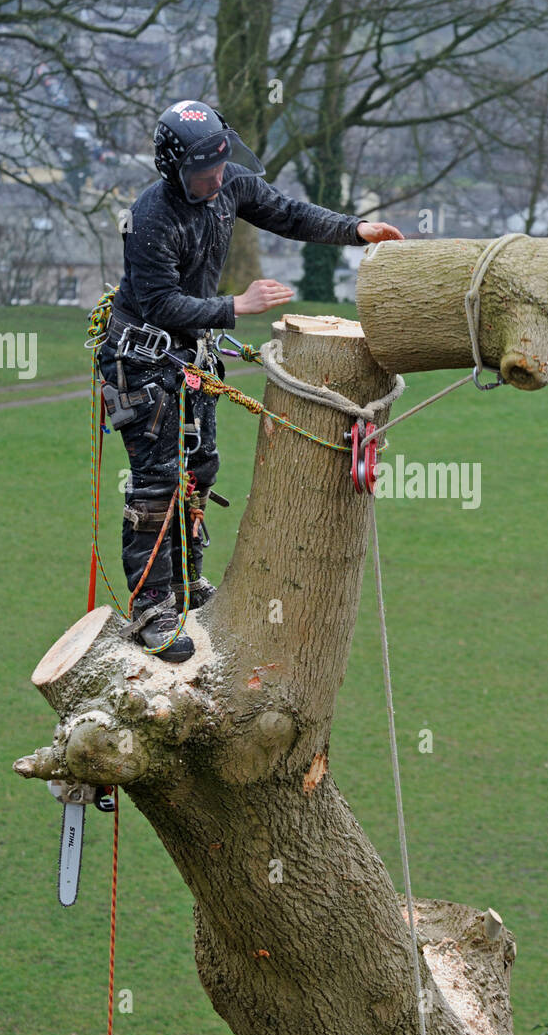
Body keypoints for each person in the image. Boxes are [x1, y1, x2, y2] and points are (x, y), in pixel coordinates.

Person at [96, 98, 403, 662]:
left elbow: (286, 212)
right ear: (174, 171)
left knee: (200, 469)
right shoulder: (153, 218)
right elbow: (161, 302)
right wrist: (237, 305)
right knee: (157, 482)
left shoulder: (230, 184)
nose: (216, 179)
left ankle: (187, 585)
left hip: (189, 360)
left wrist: (356, 230)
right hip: (141, 361)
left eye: (219, 166)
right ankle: (152, 608)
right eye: (203, 172)